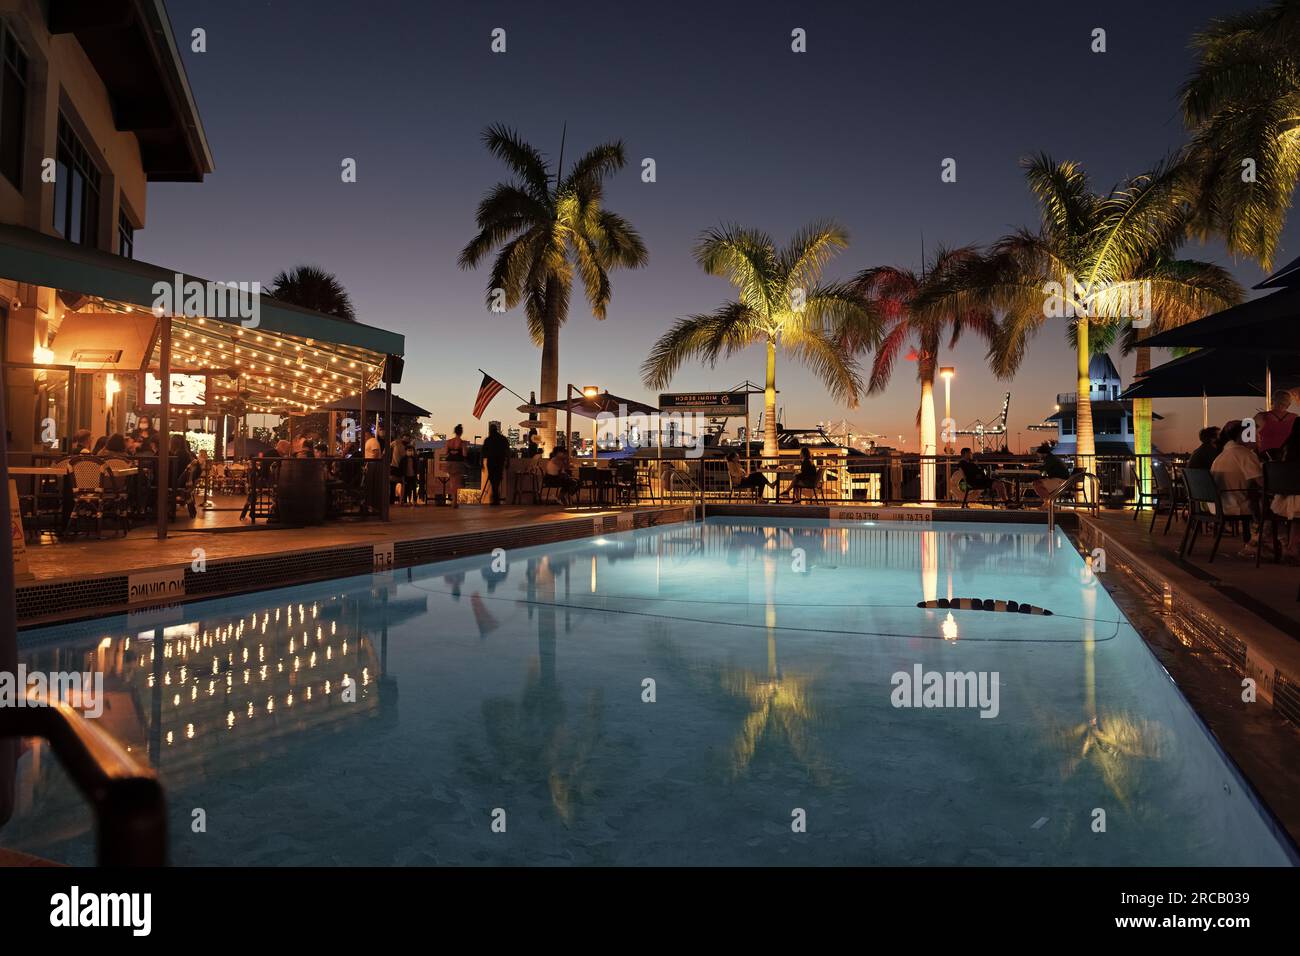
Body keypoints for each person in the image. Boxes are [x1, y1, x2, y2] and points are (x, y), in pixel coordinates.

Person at [1210, 420, 1262, 556]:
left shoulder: (1222, 455)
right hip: (1235, 505)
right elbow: (1262, 482)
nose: (1258, 438)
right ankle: (1259, 543)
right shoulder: (1245, 455)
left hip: (1218, 504)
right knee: (1278, 507)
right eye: (1255, 435)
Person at [1254, 390, 1296, 459]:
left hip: (1265, 456)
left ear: (1272, 401)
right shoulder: (1295, 418)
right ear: (1289, 404)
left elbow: (1249, 435)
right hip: (1288, 457)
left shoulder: (1261, 416)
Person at [481, 422, 511, 505]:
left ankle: (495, 497)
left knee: (493, 479)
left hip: (491, 461)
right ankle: (495, 497)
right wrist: (508, 461)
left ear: (490, 430)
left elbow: (483, 452)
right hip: (500, 461)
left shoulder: (488, 440)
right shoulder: (503, 439)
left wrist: (481, 463)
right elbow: (507, 451)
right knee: (497, 479)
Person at [444, 424, 468, 509]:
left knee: (452, 482)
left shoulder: (449, 442)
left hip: (449, 462)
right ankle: (455, 501)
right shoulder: (462, 443)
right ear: (461, 432)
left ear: (454, 432)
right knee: (457, 482)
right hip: (458, 463)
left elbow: (445, 452)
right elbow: (465, 454)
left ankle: (453, 500)